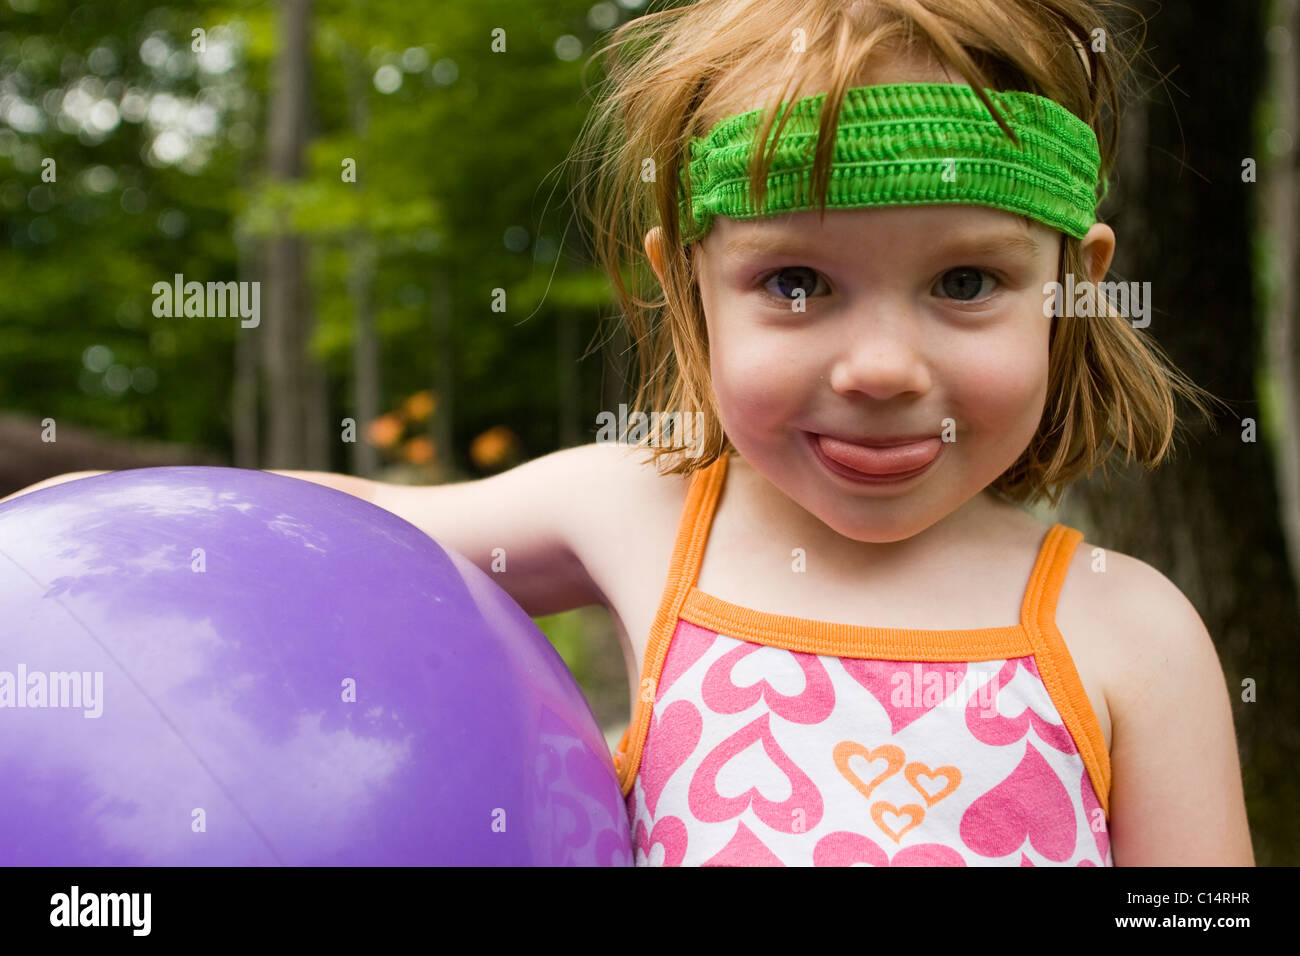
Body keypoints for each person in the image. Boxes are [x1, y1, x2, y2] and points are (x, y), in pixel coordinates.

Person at [5, 0, 1254, 866]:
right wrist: (66, 535)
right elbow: (303, 535)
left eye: (967, 283)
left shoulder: (1124, 628)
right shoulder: (635, 511)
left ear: (1076, 283)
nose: (880, 366)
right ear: (685, 286)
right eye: (799, 283)